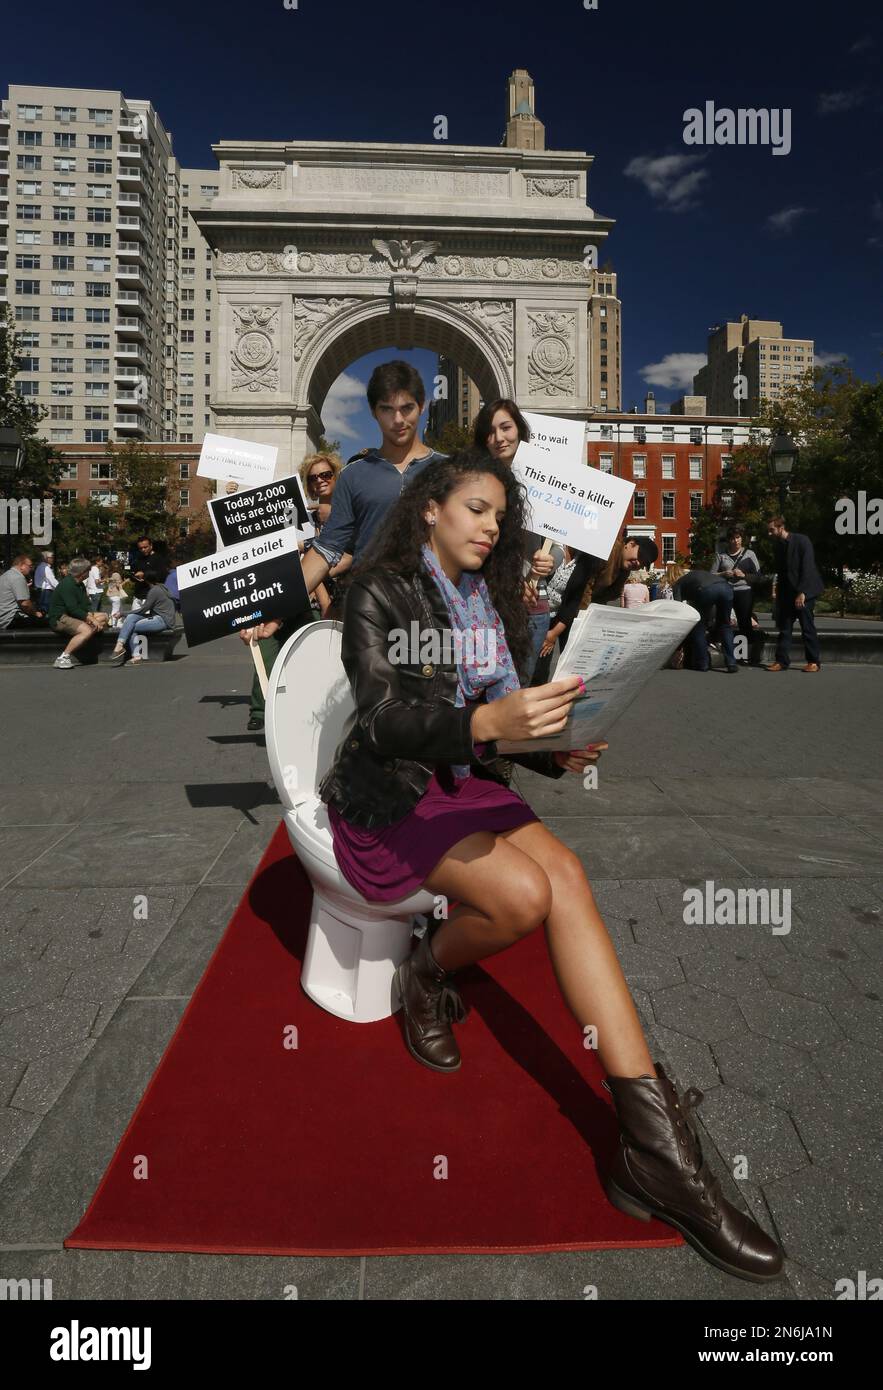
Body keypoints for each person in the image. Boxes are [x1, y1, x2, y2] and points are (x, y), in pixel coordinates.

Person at [316, 447, 783, 1284]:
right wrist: (489, 726)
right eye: (475, 509)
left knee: (565, 876)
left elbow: (500, 720)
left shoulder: (488, 602)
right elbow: (385, 718)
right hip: (392, 793)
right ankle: (425, 968)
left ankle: (654, 1150)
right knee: (524, 896)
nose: (491, 527)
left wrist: (550, 749)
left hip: (467, 782)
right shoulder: (378, 589)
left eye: (500, 515)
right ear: (429, 507)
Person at [240, 360, 447, 731]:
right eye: (387, 409)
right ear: (374, 412)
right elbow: (326, 551)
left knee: (428, 709)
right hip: (371, 610)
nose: (398, 419)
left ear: (423, 405)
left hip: (433, 609)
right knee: (370, 710)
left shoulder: (448, 473)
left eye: (407, 408)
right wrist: (275, 609)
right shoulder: (354, 475)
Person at [473, 398, 558, 681]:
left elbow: (559, 545)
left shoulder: (548, 480)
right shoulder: (475, 483)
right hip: (488, 605)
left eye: (506, 427)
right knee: (487, 688)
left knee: (520, 687)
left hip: (535, 608)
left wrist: (549, 561)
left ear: (519, 429)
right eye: (490, 431)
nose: (498, 438)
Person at [532, 534, 659, 686]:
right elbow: (582, 593)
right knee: (543, 661)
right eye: (640, 556)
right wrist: (556, 632)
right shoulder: (607, 551)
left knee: (572, 666)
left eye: (643, 563)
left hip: (573, 612)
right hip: (567, 607)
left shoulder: (623, 570)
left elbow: (604, 597)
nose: (638, 563)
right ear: (630, 544)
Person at [765, 515, 824, 673]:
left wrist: (802, 593)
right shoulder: (777, 546)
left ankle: (813, 661)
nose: (769, 534)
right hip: (787, 593)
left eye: (771, 530)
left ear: (781, 528)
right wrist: (778, 594)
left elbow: (808, 568)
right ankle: (781, 661)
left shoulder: (802, 541)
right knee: (784, 628)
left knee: (807, 627)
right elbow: (781, 573)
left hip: (805, 591)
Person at [298, 451, 347, 618]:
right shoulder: (304, 519)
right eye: (313, 478)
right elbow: (307, 561)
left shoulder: (351, 512)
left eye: (325, 475)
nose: (319, 480)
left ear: (336, 476)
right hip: (312, 607)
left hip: (347, 601)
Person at [671, 568, 739, 673]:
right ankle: (731, 663)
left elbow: (679, 609)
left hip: (705, 590)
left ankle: (703, 663)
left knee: (699, 628)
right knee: (725, 625)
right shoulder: (694, 575)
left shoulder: (677, 585)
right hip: (726, 588)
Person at [105, 566, 175, 665]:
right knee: (131, 617)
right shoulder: (162, 587)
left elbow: (143, 610)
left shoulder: (154, 591)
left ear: (146, 580)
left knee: (131, 627)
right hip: (159, 617)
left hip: (163, 620)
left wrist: (122, 613)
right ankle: (119, 645)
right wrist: (127, 615)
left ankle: (134, 655)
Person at [47, 557, 109, 668]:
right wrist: (92, 620)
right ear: (82, 572)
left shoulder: (80, 585)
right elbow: (73, 609)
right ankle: (63, 657)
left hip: (73, 615)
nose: (90, 572)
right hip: (60, 617)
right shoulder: (67, 585)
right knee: (86, 630)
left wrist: (91, 617)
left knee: (103, 617)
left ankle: (82, 641)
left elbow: (85, 607)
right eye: (88, 570)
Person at [711, 526, 761, 651]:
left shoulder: (750, 554)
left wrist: (744, 575)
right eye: (733, 538)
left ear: (742, 539)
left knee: (745, 622)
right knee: (723, 620)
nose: (736, 541)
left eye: (738, 538)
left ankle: (746, 652)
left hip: (744, 591)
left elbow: (759, 576)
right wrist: (723, 574)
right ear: (729, 540)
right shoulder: (721, 556)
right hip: (726, 591)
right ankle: (722, 647)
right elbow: (711, 575)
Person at [0, 554, 39, 629]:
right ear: (22, 565)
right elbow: (25, 604)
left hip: (2, 618)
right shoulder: (18, 577)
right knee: (46, 622)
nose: (31, 569)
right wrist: (35, 613)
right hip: (10, 619)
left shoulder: (4, 576)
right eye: (30, 566)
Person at [33, 550, 58, 615]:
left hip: (41, 591)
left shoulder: (40, 566)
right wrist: (61, 588)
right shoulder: (46, 568)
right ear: (46, 558)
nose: (53, 559)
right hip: (46, 592)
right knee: (46, 610)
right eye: (51, 557)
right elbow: (52, 581)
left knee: (42, 609)